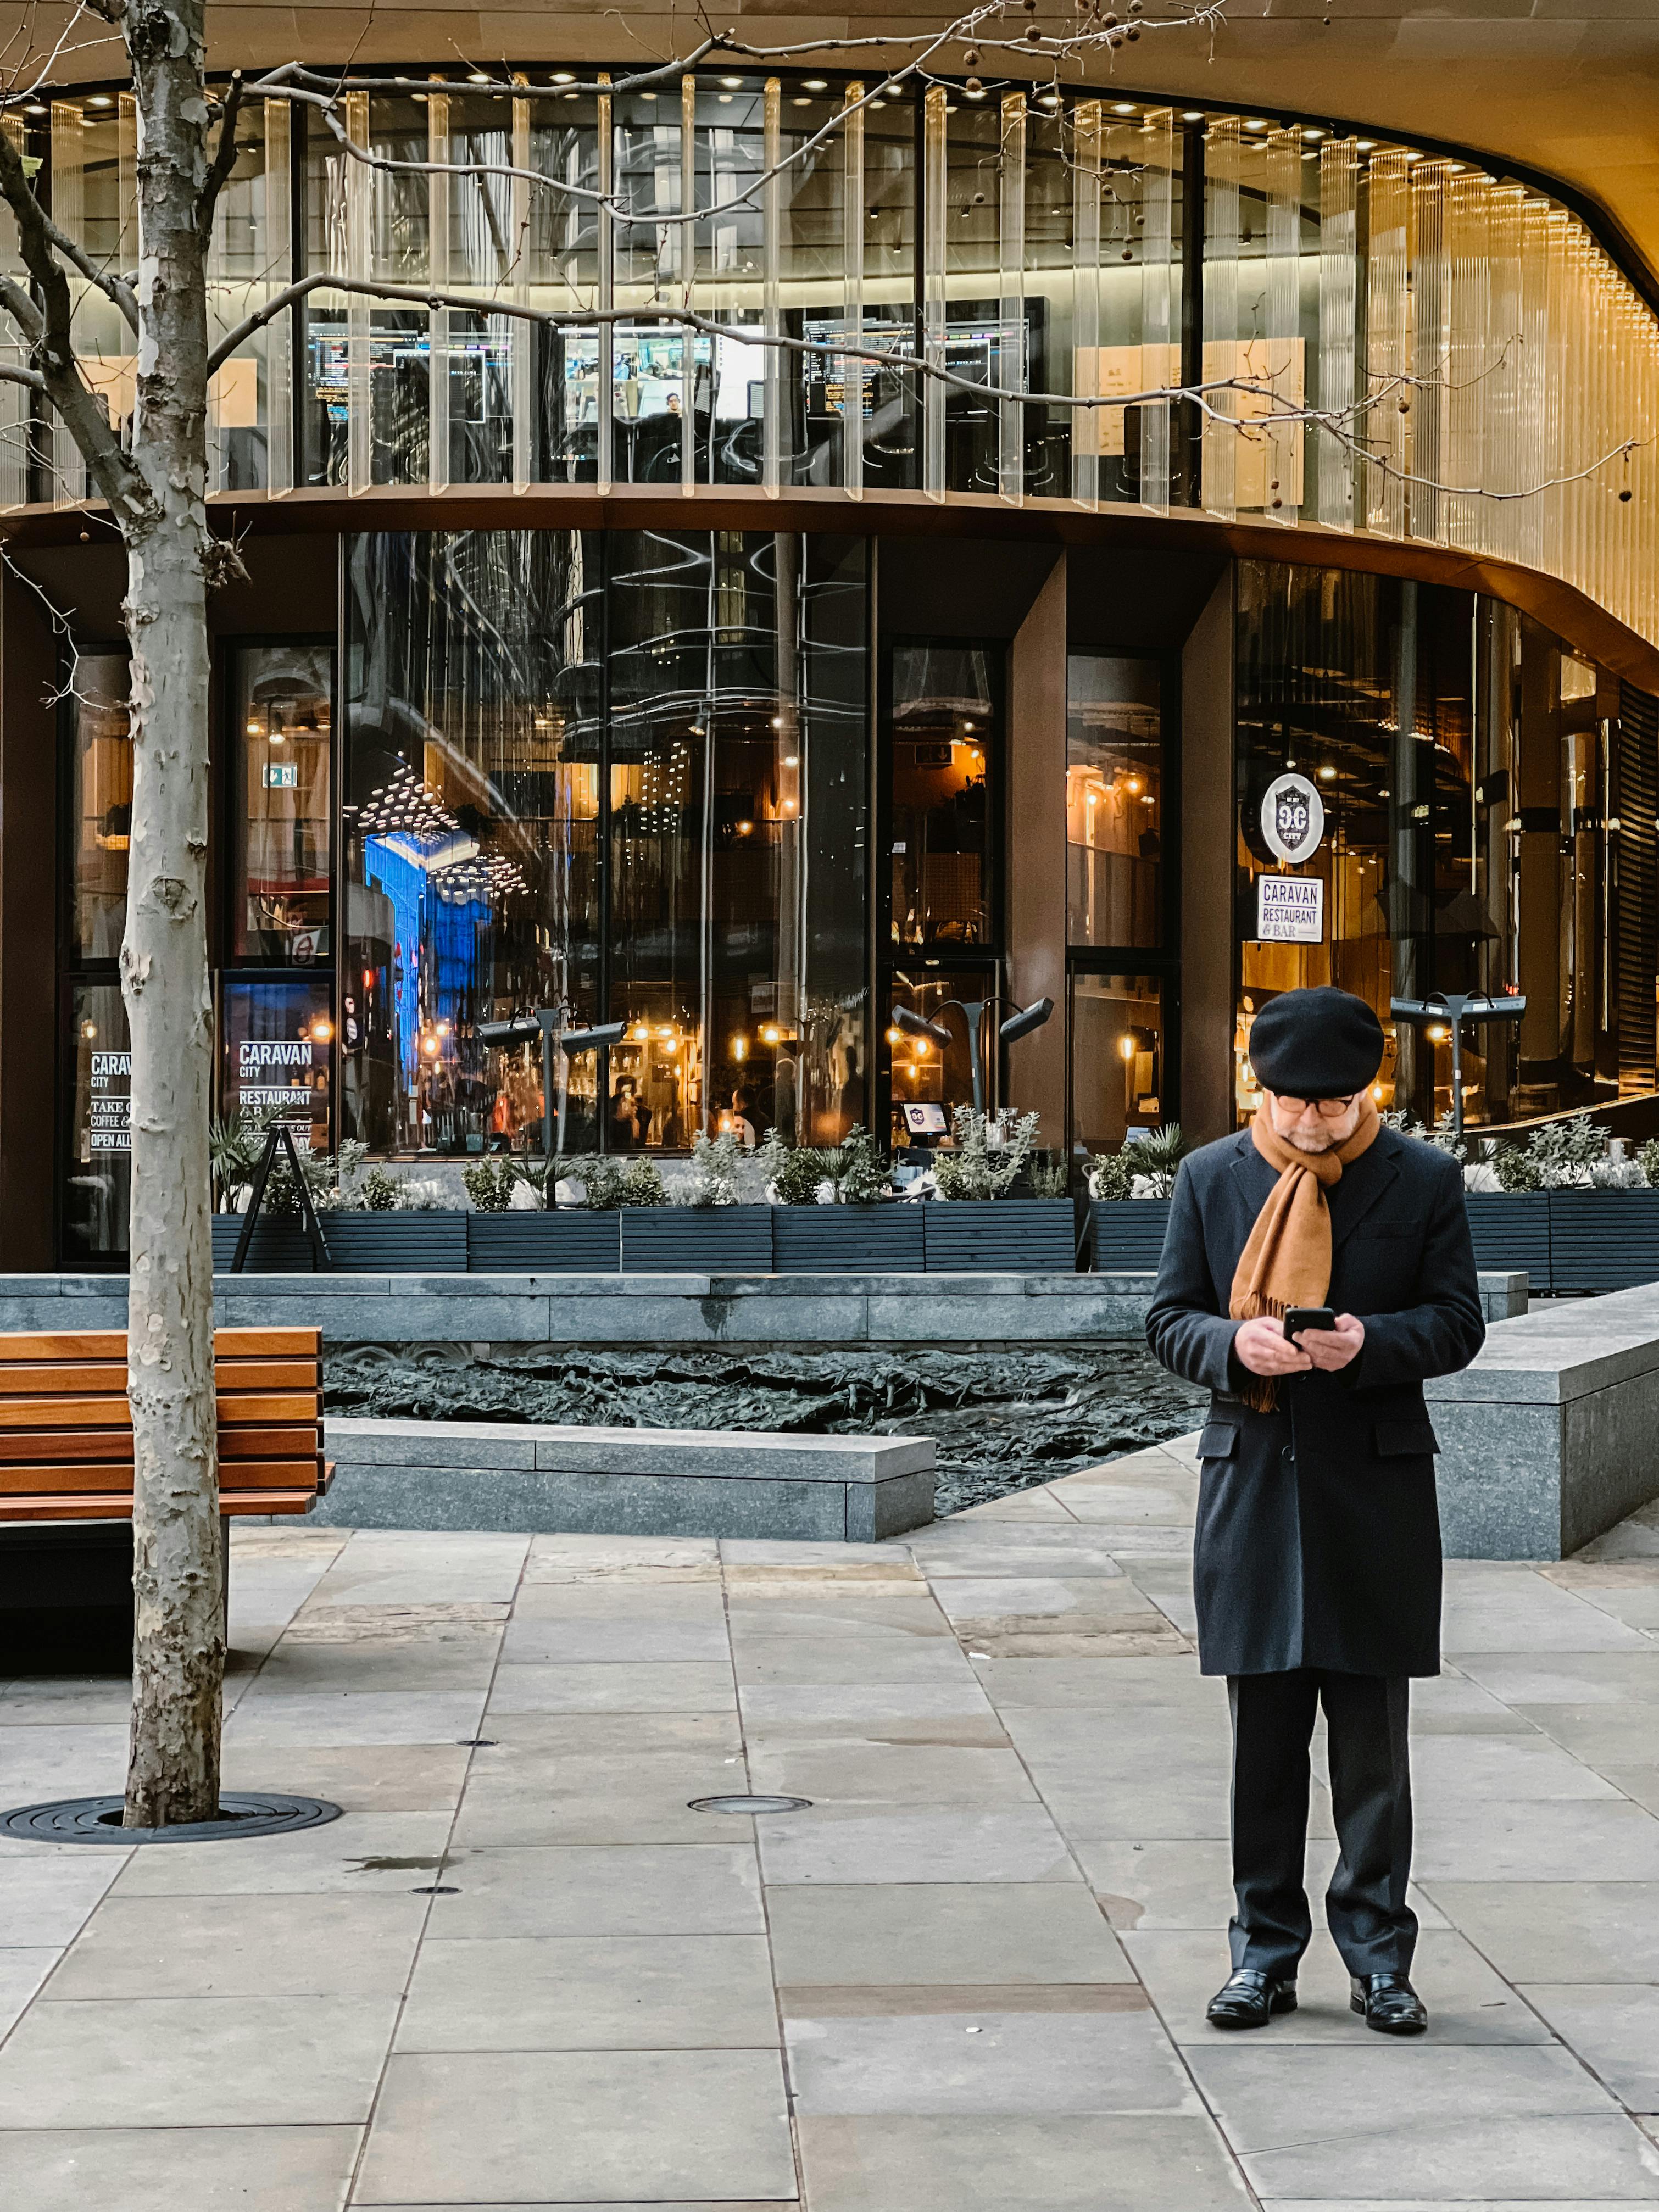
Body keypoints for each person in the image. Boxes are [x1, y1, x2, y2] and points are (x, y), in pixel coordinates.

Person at [1145, 986, 1484, 2039]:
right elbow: (1166, 1316)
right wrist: (1229, 1346)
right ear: (1263, 1089)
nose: (1312, 1123)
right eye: (1293, 1103)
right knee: (1263, 1751)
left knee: (1374, 1755)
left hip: (1374, 1492)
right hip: (1251, 1481)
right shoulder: (1211, 1175)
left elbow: (1458, 1321)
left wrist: (1370, 1344)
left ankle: (1381, 1960)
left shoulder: (1422, 1177)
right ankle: (1263, 1957)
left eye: (1335, 1106)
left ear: (1366, 1092)